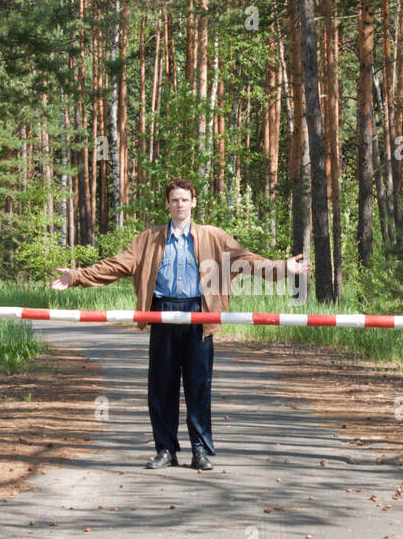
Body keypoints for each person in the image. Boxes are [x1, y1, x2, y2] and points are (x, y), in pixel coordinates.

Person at [52, 178, 310, 471]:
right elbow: (115, 265)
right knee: (162, 386)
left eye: (184, 200)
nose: (179, 205)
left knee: (198, 386)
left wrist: (281, 268)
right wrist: (76, 276)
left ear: (193, 202)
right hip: (162, 314)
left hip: (199, 315)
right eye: (174, 200)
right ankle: (165, 450)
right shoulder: (148, 240)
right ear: (167, 204)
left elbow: (246, 261)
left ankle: (199, 450)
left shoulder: (213, 237)